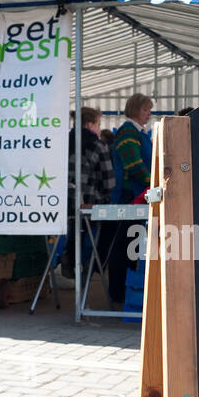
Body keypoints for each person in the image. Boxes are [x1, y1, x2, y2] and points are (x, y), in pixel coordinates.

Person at [59, 107, 115, 283]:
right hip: (89, 203)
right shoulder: (98, 145)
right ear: (90, 125)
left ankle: (68, 257)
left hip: (61, 204)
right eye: (98, 125)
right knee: (110, 227)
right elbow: (109, 182)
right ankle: (93, 265)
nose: (99, 129)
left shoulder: (61, 142)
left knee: (74, 227)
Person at [108, 94, 153, 305]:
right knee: (123, 245)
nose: (149, 113)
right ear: (134, 109)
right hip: (128, 195)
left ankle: (125, 291)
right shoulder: (128, 132)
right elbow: (134, 165)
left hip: (138, 195)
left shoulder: (139, 132)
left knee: (131, 244)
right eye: (145, 110)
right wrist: (153, 182)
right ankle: (118, 293)